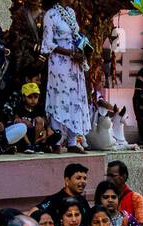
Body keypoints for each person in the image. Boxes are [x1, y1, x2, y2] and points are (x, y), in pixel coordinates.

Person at [41, 2, 92, 152]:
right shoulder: (50, 14)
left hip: (75, 63)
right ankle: (57, 140)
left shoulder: (70, 12)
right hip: (59, 62)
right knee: (59, 98)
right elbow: (47, 43)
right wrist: (70, 53)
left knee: (74, 98)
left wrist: (81, 51)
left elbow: (76, 36)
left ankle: (72, 141)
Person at [3, 82, 57, 153]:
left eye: (36, 97)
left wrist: (47, 130)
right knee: (19, 122)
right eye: (30, 97)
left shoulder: (39, 108)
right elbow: (16, 119)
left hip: (36, 133)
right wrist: (23, 121)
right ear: (23, 97)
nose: (33, 100)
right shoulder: (20, 107)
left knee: (54, 131)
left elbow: (44, 121)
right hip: (24, 134)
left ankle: (35, 144)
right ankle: (28, 144)